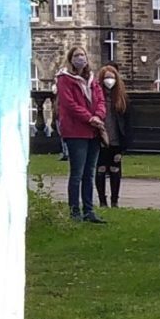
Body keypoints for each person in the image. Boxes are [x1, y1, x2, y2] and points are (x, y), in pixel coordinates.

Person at [56, 44, 104, 222]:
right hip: (76, 131)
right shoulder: (64, 79)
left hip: (93, 131)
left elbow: (100, 100)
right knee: (77, 173)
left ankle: (88, 210)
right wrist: (89, 118)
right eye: (76, 55)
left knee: (89, 173)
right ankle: (75, 211)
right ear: (70, 59)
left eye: (82, 55)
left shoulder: (92, 79)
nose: (80, 58)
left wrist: (98, 115)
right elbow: (69, 105)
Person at [93, 62, 134, 209]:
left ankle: (115, 200)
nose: (109, 81)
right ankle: (102, 201)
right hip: (100, 140)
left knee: (115, 170)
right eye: (106, 78)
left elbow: (128, 122)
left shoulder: (122, 99)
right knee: (100, 169)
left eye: (111, 77)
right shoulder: (96, 98)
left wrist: (126, 143)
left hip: (116, 140)